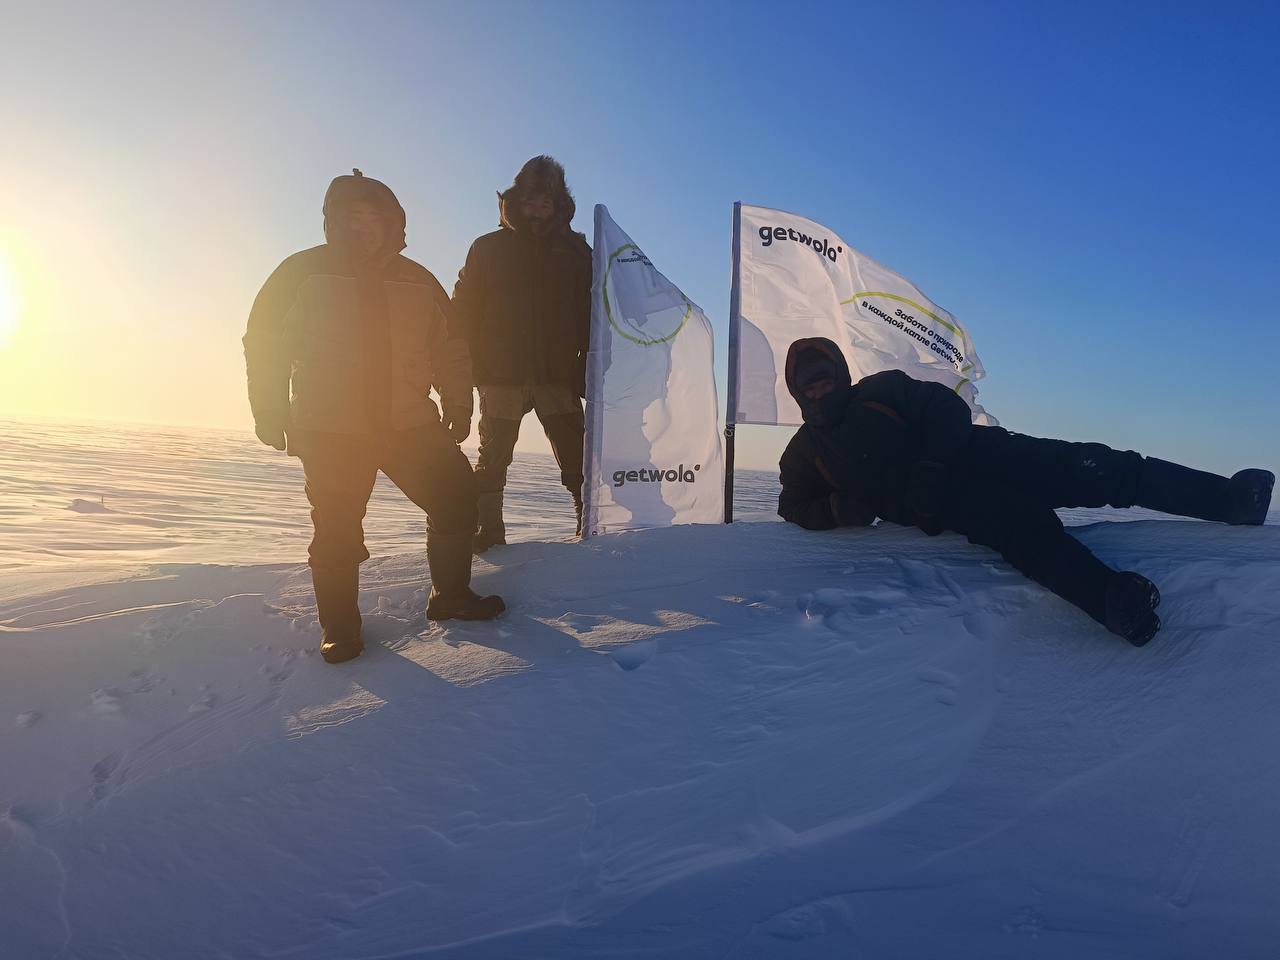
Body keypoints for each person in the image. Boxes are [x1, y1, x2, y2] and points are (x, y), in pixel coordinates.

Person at [777, 337, 1274, 646]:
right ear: (798, 393)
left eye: (826, 379)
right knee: (1026, 533)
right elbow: (792, 504)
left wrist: (931, 463)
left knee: (1105, 468)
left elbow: (946, 408)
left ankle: (1231, 501)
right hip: (953, 504)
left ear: (843, 374)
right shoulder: (803, 454)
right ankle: (1111, 603)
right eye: (809, 386)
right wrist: (840, 509)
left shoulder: (882, 390)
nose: (820, 390)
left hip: (988, 453)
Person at [243, 170, 504, 665]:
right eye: (351, 218)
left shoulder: (418, 278)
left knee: (456, 499)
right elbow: (264, 346)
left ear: (392, 224)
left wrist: (457, 403)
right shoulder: (300, 273)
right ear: (332, 222)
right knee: (338, 528)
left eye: (374, 218)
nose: (363, 227)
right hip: (330, 427)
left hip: (409, 422)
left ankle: (449, 597)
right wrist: (269, 407)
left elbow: (449, 349)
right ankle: (340, 628)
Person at [452, 155, 592, 551]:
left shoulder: (578, 252)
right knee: (493, 456)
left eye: (545, 204)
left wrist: (589, 361)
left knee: (576, 453)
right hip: (500, 373)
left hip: (558, 373)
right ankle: (488, 529)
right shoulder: (487, 248)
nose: (536, 211)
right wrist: (463, 363)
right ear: (514, 203)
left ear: (558, 207)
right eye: (530, 202)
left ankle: (589, 520)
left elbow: (593, 310)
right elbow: (462, 306)